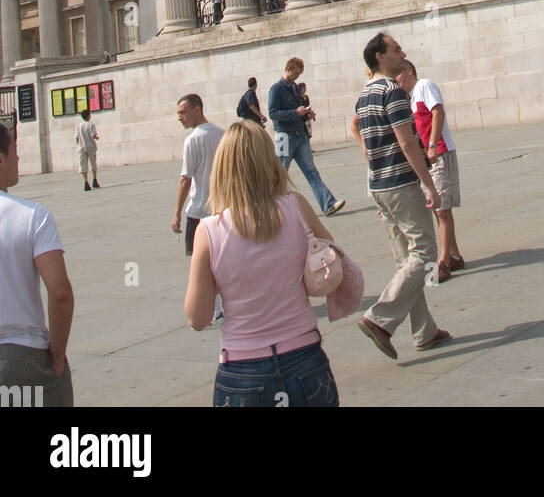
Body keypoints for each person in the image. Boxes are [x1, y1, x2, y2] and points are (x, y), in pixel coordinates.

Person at [184, 120, 359, 408]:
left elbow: (198, 318)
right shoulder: (296, 207)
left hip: (241, 370)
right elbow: (335, 258)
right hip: (304, 357)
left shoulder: (209, 230)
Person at [350, 32, 450, 360]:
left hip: (380, 184)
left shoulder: (363, 96)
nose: (402, 52)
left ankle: (425, 331)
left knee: (406, 259)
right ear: (380, 57)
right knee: (423, 254)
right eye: (395, 49)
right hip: (400, 183)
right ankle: (379, 319)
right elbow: (407, 143)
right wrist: (429, 185)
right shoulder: (392, 92)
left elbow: (367, 145)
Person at [0, 122, 75, 407]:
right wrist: (56, 357)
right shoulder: (32, 216)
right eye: (14, 150)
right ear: (0, 157)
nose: (18, 158)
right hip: (21, 360)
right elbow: (60, 293)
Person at [396, 61, 464, 282]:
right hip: (430, 156)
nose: (397, 82)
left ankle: (443, 260)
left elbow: (437, 112)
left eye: (398, 77)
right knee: (439, 208)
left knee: (442, 208)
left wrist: (433, 144)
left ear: (409, 71)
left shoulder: (424, 85)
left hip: (440, 152)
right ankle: (453, 254)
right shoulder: (411, 97)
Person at [268, 58, 345, 218]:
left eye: (299, 74)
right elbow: (273, 113)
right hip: (285, 136)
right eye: (295, 73)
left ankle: (328, 204)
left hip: (300, 134)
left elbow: (299, 110)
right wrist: (295, 112)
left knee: (311, 171)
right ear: (288, 69)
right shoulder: (276, 89)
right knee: (279, 173)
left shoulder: (295, 88)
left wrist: (307, 114)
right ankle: (269, 208)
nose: (296, 76)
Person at [172, 95, 225, 257]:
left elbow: (185, 180)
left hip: (199, 213)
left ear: (197, 110)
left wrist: (177, 213)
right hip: (222, 212)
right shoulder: (223, 134)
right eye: (178, 113)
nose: (180, 118)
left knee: (198, 263)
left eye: (183, 112)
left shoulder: (192, 140)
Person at [74, 109, 100, 191]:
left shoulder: (79, 125)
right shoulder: (91, 124)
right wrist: (97, 137)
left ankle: (86, 182)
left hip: (81, 148)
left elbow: (77, 138)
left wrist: (78, 145)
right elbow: (93, 135)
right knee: (93, 164)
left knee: (83, 165)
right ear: (88, 115)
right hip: (91, 147)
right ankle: (95, 180)